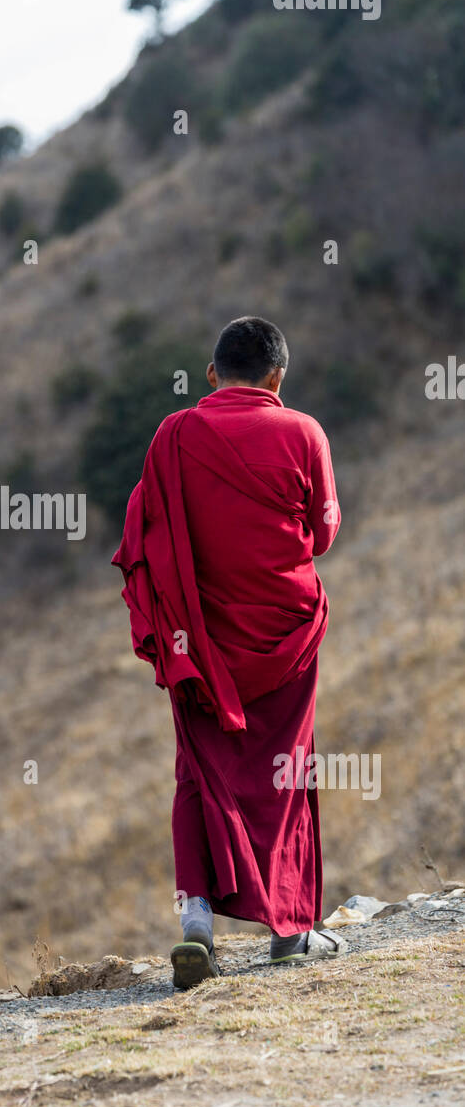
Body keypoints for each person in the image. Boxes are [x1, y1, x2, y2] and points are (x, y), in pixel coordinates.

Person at [113, 316, 344, 987]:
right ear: (278, 377)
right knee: (287, 767)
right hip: (286, 632)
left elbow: (147, 527)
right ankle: (289, 928)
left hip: (200, 642)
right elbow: (323, 533)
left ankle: (197, 922)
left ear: (211, 375)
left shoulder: (174, 435)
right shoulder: (304, 433)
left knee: (197, 772)